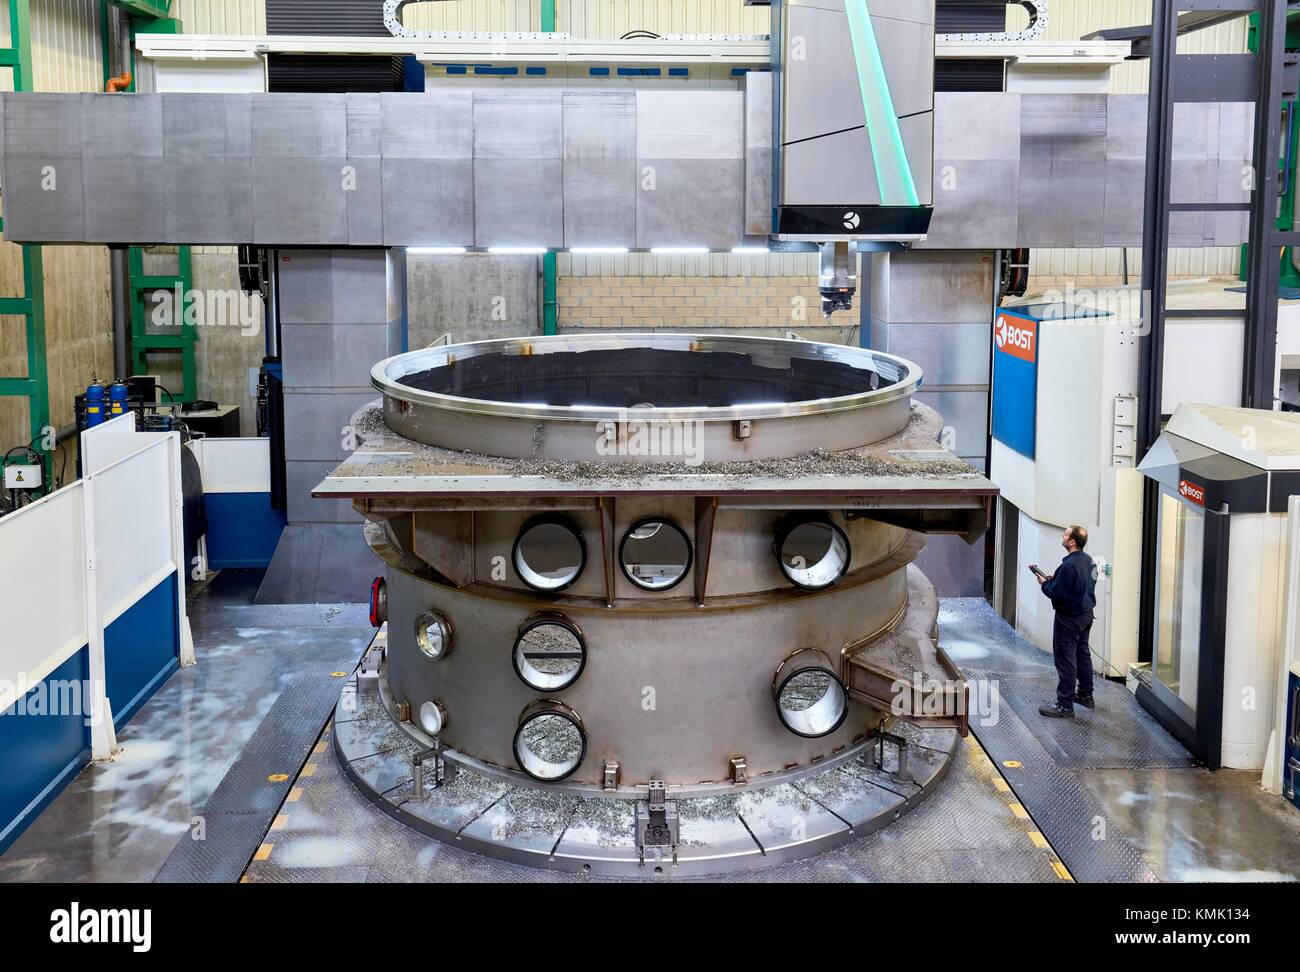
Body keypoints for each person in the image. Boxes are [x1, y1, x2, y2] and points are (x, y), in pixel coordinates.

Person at [1029, 525, 1097, 719]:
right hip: (1086, 615)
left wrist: (1045, 584)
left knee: (1065, 659)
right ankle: (1086, 695)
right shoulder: (1089, 561)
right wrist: (1055, 580)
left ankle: (1064, 705)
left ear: (1072, 542)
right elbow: (1082, 585)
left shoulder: (1068, 566)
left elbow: (1056, 593)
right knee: (1082, 655)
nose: (1063, 535)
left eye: (1066, 534)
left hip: (1069, 619)